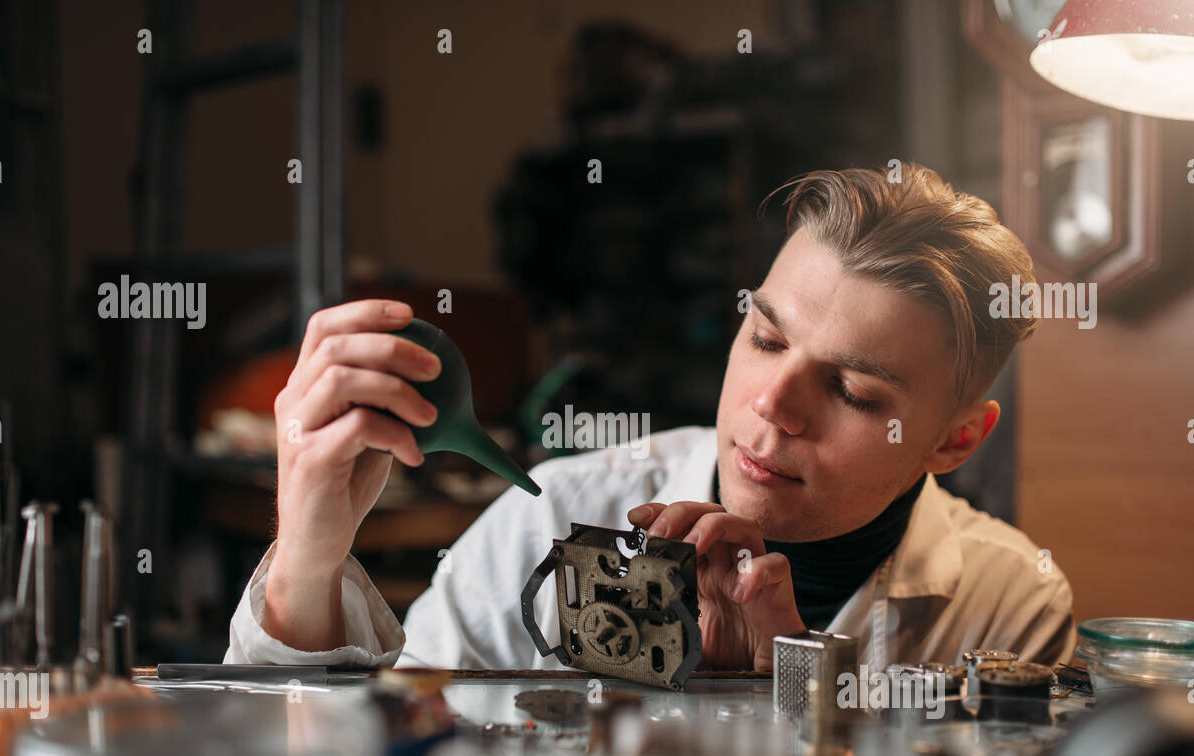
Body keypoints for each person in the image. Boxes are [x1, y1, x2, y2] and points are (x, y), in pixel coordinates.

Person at [225, 162, 1077, 676]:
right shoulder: (555, 515)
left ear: (955, 438)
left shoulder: (1006, 604)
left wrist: (774, 696)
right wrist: (308, 553)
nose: (772, 404)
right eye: (766, 337)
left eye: (854, 392)